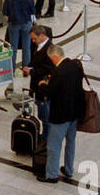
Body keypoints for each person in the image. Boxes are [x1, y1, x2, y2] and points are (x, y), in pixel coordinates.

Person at [34, 43, 85, 184]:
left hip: (61, 115)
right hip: (74, 113)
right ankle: (69, 169)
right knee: (70, 142)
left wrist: (43, 85)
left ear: (55, 56)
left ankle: (51, 175)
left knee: (54, 145)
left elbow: (50, 93)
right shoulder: (76, 65)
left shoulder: (58, 72)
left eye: (52, 59)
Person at [2, 0, 36, 68]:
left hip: (13, 24)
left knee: (13, 48)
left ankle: (12, 70)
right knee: (26, 48)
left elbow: (5, 14)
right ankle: (26, 69)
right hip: (26, 24)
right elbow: (33, 12)